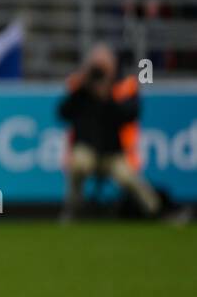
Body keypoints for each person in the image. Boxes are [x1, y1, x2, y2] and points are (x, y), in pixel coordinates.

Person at [58, 44, 162, 219]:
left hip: (113, 153)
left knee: (129, 177)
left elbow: (131, 114)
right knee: (77, 163)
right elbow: (63, 112)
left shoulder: (123, 86)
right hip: (88, 150)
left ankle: (157, 211)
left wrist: (108, 95)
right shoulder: (81, 88)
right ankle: (72, 210)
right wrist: (84, 87)